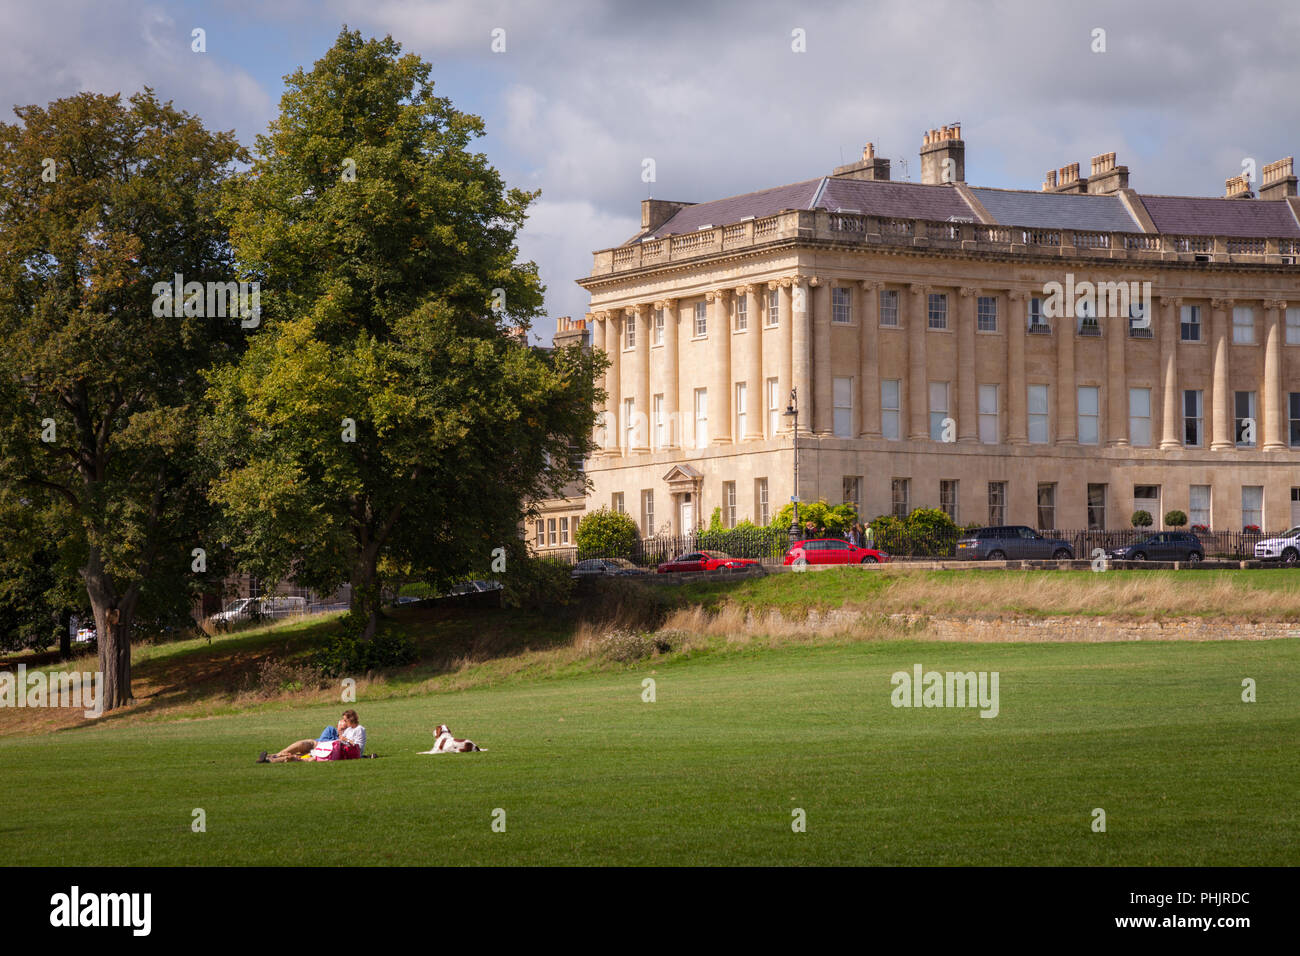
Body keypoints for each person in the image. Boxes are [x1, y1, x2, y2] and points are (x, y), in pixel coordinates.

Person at [259, 710, 366, 763]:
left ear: (350, 720)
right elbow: (341, 741)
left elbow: (357, 748)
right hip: (331, 748)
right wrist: (341, 734)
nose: (344, 721)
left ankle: (271, 759)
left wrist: (344, 739)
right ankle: (274, 756)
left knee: (301, 756)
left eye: (345, 720)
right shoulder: (348, 729)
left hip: (335, 752)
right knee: (304, 745)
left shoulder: (360, 729)